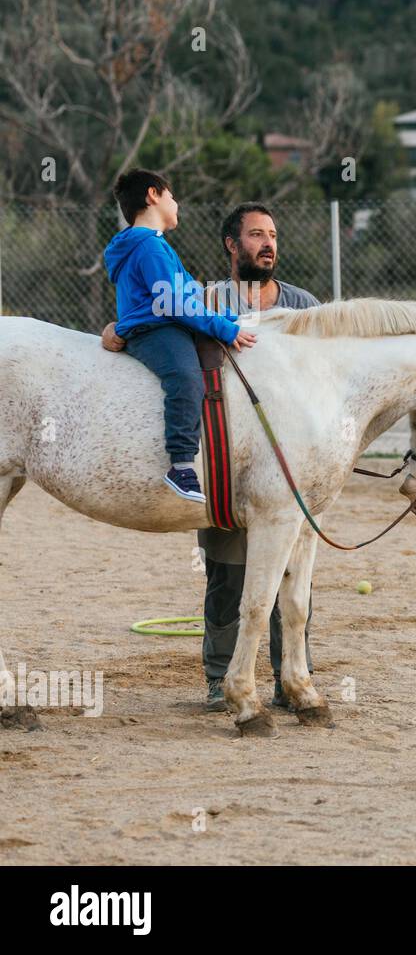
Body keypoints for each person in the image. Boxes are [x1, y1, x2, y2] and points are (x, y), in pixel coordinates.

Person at [103, 201, 320, 713]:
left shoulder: (304, 307)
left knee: (287, 574)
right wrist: (114, 331)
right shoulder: (205, 298)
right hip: (226, 464)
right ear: (232, 244)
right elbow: (157, 323)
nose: (267, 244)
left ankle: (287, 679)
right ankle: (220, 680)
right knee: (228, 576)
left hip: (284, 468)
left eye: (272, 234)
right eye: (255, 235)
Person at [102, 169, 258, 503]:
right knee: (186, 378)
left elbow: (192, 298)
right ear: (153, 196)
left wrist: (231, 320)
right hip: (155, 331)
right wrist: (225, 328)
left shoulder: (157, 247)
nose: (177, 203)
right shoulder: (149, 249)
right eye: (172, 196)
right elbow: (174, 303)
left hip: (169, 323)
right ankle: (182, 464)